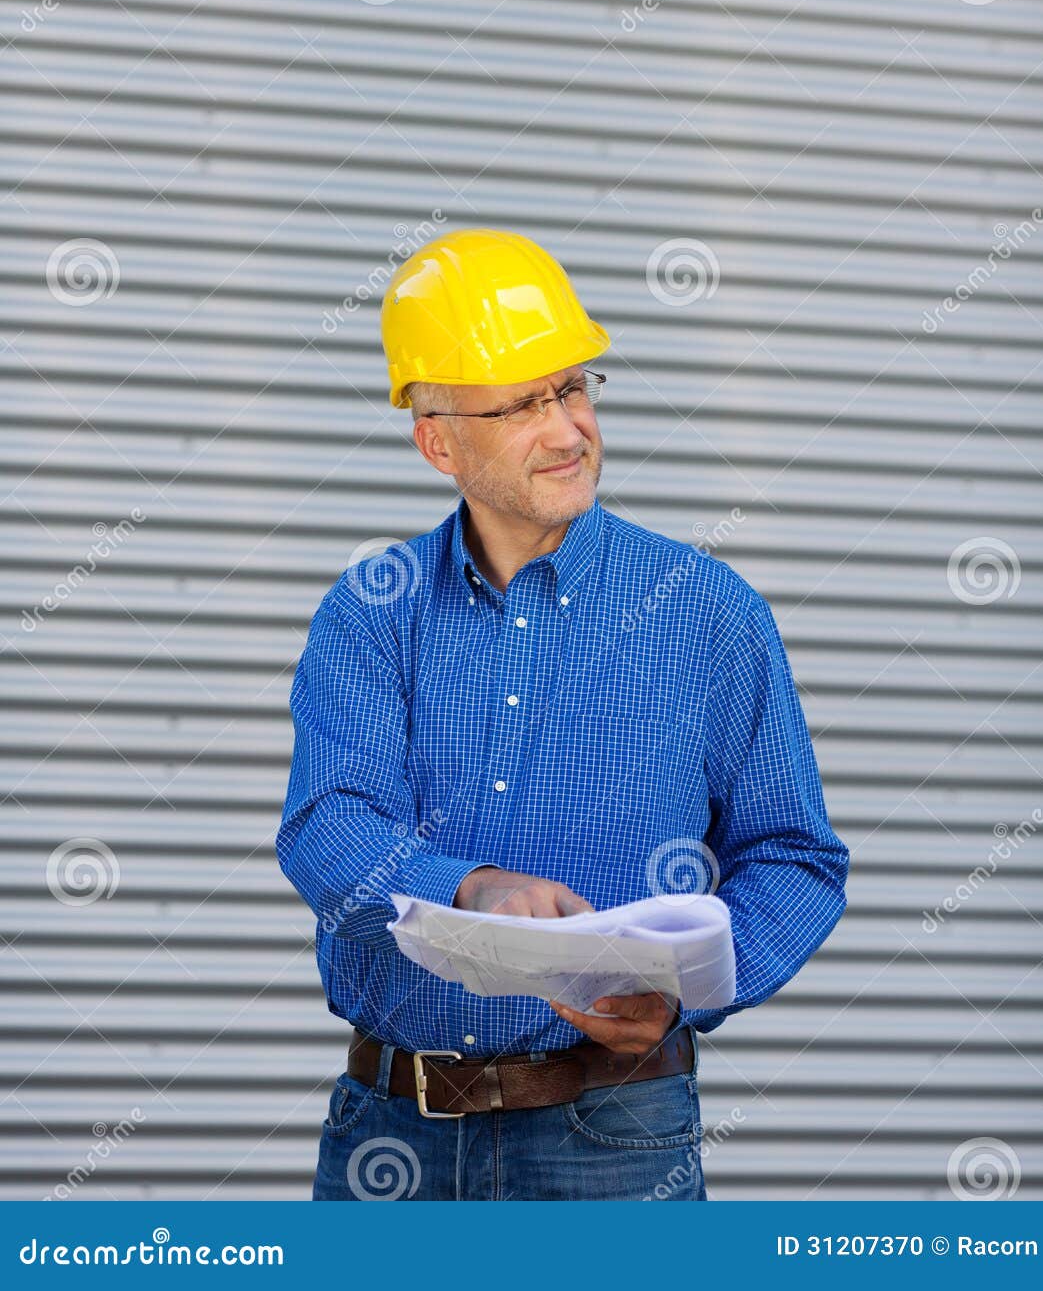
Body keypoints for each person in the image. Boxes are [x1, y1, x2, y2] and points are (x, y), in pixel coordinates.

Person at [276, 226, 849, 1201]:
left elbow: (792, 857)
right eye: (521, 405)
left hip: (613, 1140)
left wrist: (682, 995)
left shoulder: (706, 614)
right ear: (437, 441)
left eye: (572, 388)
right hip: (393, 1140)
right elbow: (328, 827)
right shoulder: (371, 610)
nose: (566, 428)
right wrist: (468, 889)